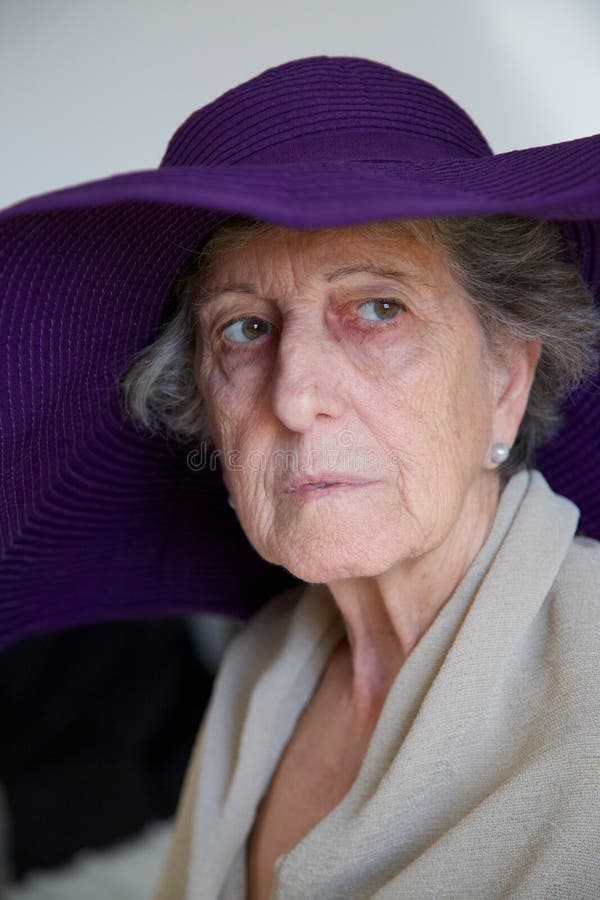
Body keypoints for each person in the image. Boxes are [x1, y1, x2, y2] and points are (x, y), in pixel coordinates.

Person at [1, 55, 600, 898]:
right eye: (245, 329)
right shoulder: (266, 666)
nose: (294, 394)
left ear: (505, 381)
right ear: (205, 407)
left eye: (379, 308)